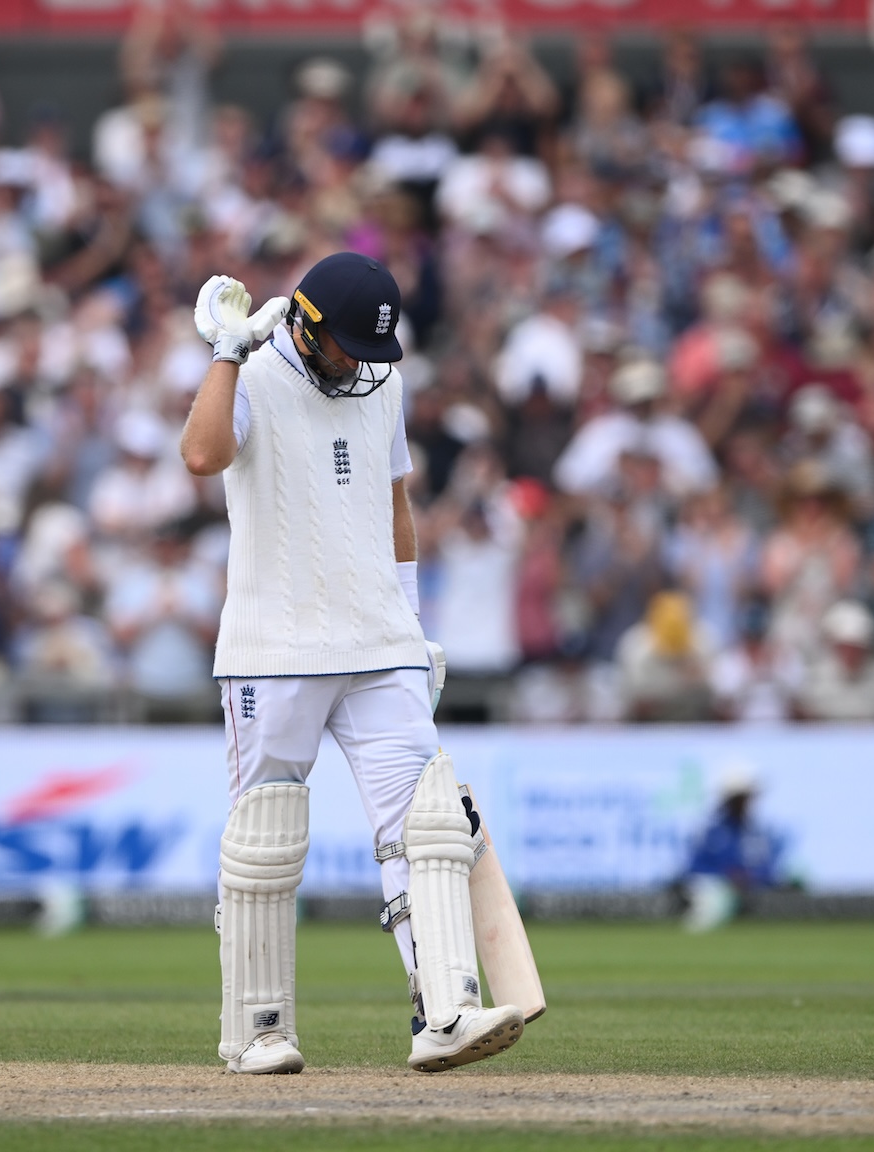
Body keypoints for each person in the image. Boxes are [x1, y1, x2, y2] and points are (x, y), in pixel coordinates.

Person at [179, 252, 523, 1075]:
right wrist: (225, 354)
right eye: (341, 349)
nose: (356, 367)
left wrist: (408, 616)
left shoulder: (381, 383)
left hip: (379, 643)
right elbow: (200, 456)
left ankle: (445, 1011)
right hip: (275, 647)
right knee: (264, 838)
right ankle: (257, 1029)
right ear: (300, 321)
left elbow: (392, 498)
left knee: (426, 826)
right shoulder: (254, 374)